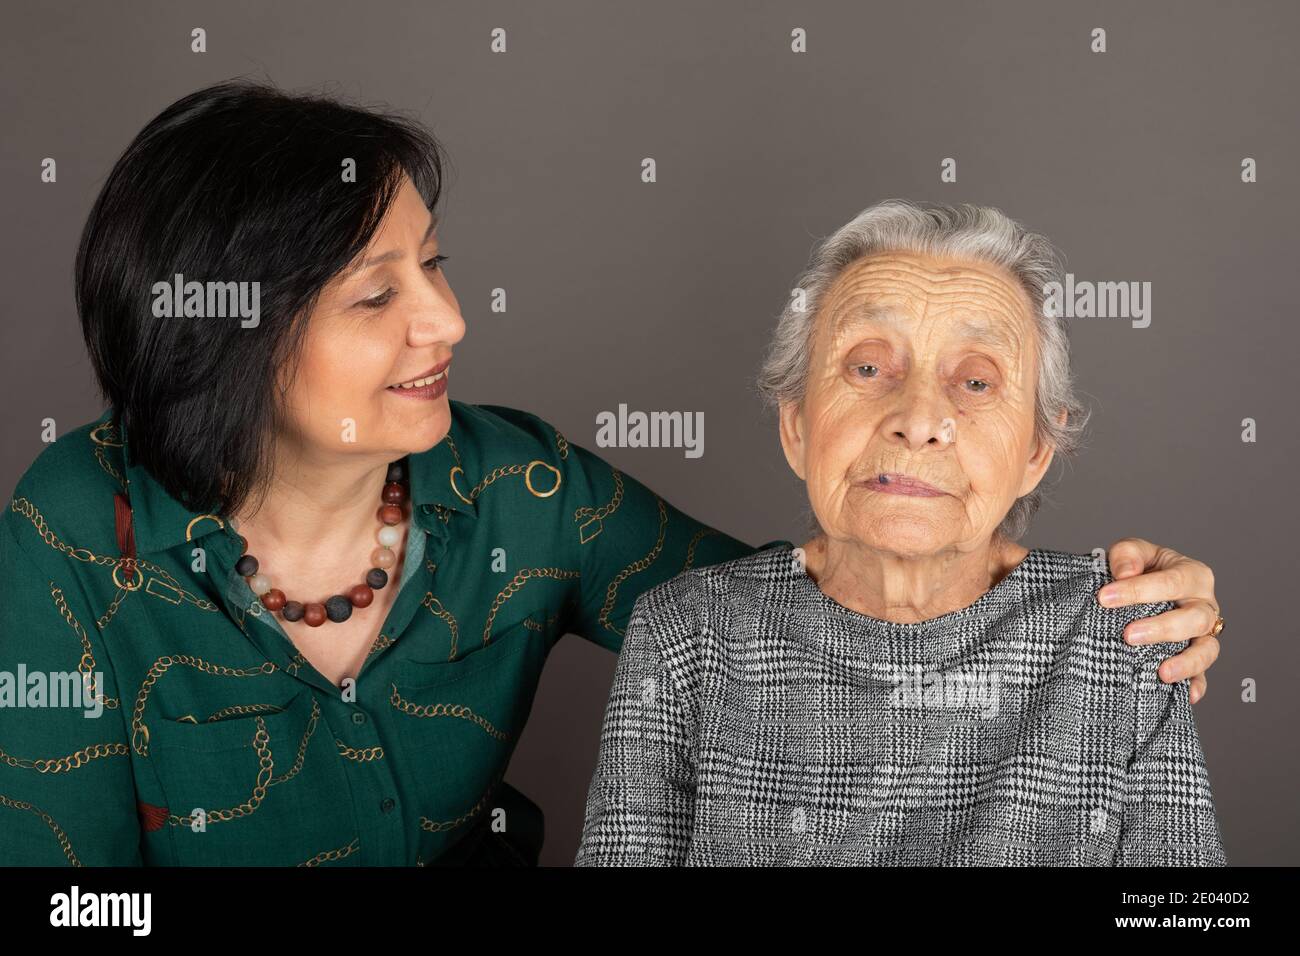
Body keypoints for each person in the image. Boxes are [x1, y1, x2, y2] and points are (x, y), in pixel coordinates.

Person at [0, 84, 1223, 866]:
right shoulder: (66, 535)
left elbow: (801, 607)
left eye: (435, 265)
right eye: (378, 295)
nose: (447, 321)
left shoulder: (527, 491)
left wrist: (1080, 597)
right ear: (227, 335)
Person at [575, 201, 1226, 865]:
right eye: (866, 368)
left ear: (1035, 449)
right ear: (796, 427)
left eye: (975, 381)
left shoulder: (1124, 637)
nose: (918, 419)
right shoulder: (686, 632)